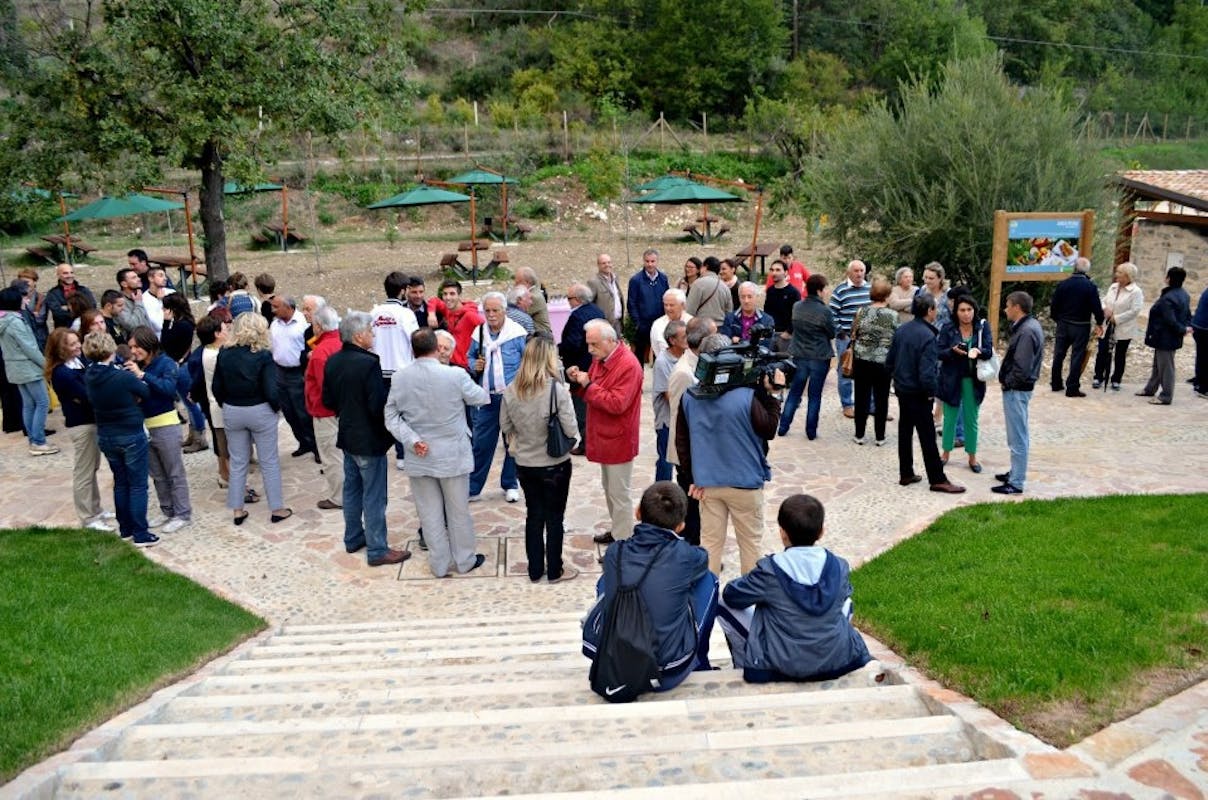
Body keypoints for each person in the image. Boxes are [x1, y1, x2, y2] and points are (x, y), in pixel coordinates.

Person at [717, 494, 872, 683]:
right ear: (821, 531)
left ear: (782, 533)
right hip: (837, 660)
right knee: (847, 602)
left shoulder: (770, 570)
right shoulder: (839, 566)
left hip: (780, 662)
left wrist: (764, 599)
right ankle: (831, 647)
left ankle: (745, 663)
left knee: (721, 603)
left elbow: (731, 596)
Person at [581, 481, 719, 693]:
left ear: (637, 513)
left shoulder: (614, 552)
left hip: (614, 658)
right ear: (681, 526)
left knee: (606, 580)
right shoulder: (687, 556)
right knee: (708, 580)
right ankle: (701, 662)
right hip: (669, 666)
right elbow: (703, 558)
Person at [385, 328, 490, 577]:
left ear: (413, 349)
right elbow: (481, 398)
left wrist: (412, 440)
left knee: (429, 513)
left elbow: (390, 416)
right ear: (436, 348)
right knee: (458, 511)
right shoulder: (454, 375)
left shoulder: (400, 377)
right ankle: (464, 560)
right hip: (452, 452)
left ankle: (439, 564)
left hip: (419, 453)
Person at [677, 334, 781, 576]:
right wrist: (773, 396)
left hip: (708, 484)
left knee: (710, 546)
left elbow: (682, 443)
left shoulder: (691, 396)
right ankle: (749, 605)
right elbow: (769, 428)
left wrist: (692, 478)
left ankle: (708, 602)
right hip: (745, 483)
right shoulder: (748, 396)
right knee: (750, 546)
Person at [321, 311, 409, 567]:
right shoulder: (369, 363)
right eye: (371, 331)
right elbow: (376, 405)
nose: (373, 335)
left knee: (352, 491)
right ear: (359, 336)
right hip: (369, 440)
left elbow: (328, 400)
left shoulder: (334, 361)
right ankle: (378, 549)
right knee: (374, 495)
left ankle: (353, 538)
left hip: (347, 435)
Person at [501, 332, 579, 583]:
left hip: (525, 462)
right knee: (555, 517)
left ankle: (535, 569)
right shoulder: (556, 390)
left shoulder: (512, 389)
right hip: (555, 463)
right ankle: (554, 569)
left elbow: (505, 424)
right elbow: (571, 429)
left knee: (533, 516)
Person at [567, 319, 643, 546]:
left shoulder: (628, 365)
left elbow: (616, 403)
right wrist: (579, 381)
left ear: (611, 341)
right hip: (605, 436)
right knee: (610, 490)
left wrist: (588, 385)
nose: (590, 350)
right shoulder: (601, 358)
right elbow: (595, 388)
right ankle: (619, 529)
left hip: (618, 438)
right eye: (588, 344)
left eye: (594, 344)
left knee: (619, 494)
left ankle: (623, 540)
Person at [213, 312, 290, 524]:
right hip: (259, 409)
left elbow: (216, 387)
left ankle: (237, 510)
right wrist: (276, 408)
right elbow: (270, 389)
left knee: (238, 461)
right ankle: (277, 508)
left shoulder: (224, 353)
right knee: (269, 461)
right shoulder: (263, 355)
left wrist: (226, 403)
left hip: (232, 409)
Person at [82, 332, 158, 547]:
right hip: (130, 433)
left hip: (106, 434)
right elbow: (145, 391)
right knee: (137, 485)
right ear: (111, 350)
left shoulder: (89, 376)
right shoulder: (121, 376)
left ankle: (125, 528)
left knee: (121, 482)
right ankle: (141, 533)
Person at [885, 295, 965, 494]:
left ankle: (906, 473)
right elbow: (927, 372)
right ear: (930, 310)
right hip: (919, 392)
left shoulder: (902, 330)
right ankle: (937, 479)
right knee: (927, 436)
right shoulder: (928, 336)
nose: (936, 311)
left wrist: (898, 380)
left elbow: (890, 360)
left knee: (905, 432)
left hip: (903, 390)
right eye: (935, 308)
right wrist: (930, 393)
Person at [125, 326, 193, 532]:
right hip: (144, 427)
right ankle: (168, 511)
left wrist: (143, 375)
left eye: (136, 347)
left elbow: (168, 390)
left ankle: (183, 514)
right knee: (157, 474)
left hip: (166, 425)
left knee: (174, 472)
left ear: (148, 344)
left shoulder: (166, 363)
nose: (133, 351)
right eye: (131, 347)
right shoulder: (134, 365)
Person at [46, 328, 112, 530]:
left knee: (92, 468)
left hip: (90, 420)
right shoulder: (62, 373)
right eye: (72, 344)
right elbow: (85, 394)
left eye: (77, 342)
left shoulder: (79, 363)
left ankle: (96, 509)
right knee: (84, 472)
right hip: (81, 424)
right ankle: (88, 517)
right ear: (61, 348)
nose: (77, 346)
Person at [467, 292, 527, 503]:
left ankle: (510, 483)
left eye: (495, 310)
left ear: (504, 311)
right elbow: (470, 357)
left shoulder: (517, 333)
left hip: (511, 397)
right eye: (487, 311)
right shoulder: (479, 332)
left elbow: (527, 362)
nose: (491, 315)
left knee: (513, 443)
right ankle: (473, 487)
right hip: (487, 397)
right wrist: (475, 365)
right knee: (481, 443)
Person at [666, 317, 717, 546]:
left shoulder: (701, 365)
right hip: (688, 454)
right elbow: (680, 417)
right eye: (714, 335)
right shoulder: (684, 373)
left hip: (699, 452)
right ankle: (692, 550)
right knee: (692, 507)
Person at [993, 291, 1045, 495]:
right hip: (1017, 389)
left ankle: (1016, 482)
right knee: (1015, 434)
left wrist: (1008, 383)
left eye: (1007, 305)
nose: (1005, 309)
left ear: (1016, 307)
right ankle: (1015, 471)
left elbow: (1022, 367)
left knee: (1018, 436)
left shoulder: (1026, 331)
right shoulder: (1028, 326)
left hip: (1017, 390)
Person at [937, 296, 992, 472]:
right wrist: (952, 352)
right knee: (949, 419)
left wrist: (979, 351)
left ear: (974, 310)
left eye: (969, 309)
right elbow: (939, 352)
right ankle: (945, 454)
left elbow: (989, 350)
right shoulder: (948, 328)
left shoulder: (982, 327)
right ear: (956, 312)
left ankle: (972, 458)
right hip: (952, 378)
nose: (966, 314)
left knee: (971, 419)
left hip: (973, 380)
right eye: (962, 310)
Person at [0, 286, 57, 455]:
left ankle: (33, 439)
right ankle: (38, 441)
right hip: (28, 368)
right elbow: (29, 347)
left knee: (28, 404)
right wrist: (46, 365)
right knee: (42, 402)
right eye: (23, 298)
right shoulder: (15, 322)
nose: (26, 301)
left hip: (14, 367)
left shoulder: (4, 321)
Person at [779, 273, 834, 441]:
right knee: (814, 395)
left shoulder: (797, 307)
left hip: (800, 354)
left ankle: (783, 426)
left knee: (795, 392)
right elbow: (831, 333)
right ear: (819, 291)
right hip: (819, 355)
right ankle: (811, 431)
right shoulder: (825, 311)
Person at [850, 277, 899, 446]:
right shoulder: (893, 315)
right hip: (883, 362)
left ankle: (859, 434)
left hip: (862, 360)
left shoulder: (861, 312)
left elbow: (854, 332)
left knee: (861, 397)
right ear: (887, 295)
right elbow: (897, 338)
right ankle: (880, 436)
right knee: (881, 398)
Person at [304, 305, 344, 511]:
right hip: (343, 409)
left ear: (318, 326)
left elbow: (323, 386)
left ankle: (339, 497)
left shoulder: (321, 352)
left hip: (326, 412)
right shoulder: (342, 342)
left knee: (331, 456)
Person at [269, 294, 318, 459]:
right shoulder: (274, 324)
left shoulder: (302, 324)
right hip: (280, 372)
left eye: (276, 307)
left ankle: (316, 447)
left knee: (303, 412)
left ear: (288, 308)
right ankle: (303, 443)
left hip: (297, 373)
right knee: (289, 412)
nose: (273, 310)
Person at [559, 282, 605, 453]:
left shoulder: (577, 317)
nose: (568, 302)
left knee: (581, 407)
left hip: (579, 367)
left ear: (577, 299)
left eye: (569, 298)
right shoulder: (597, 311)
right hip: (597, 365)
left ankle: (587, 444)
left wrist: (558, 348)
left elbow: (572, 344)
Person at [191, 315, 234, 493]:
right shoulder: (216, 355)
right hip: (218, 406)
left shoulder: (203, 352)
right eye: (225, 328)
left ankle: (225, 475)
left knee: (223, 443)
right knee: (226, 445)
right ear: (217, 333)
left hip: (213, 405)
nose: (228, 331)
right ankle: (230, 479)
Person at [1049, 257, 1104, 397]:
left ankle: (1055, 383)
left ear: (1074, 268)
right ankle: (1072, 387)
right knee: (1077, 356)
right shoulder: (1090, 286)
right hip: (1081, 325)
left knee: (1059, 354)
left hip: (1063, 323)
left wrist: (1057, 319)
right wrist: (1099, 321)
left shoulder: (1063, 284)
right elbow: (1096, 307)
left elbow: (1054, 305)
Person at [1137, 266, 1191, 406]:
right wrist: (1186, 327)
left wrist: (1182, 330)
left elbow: (1170, 320)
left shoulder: (1168, 298)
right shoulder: (1184, 294)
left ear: (1168, 278)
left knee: (1166, 367)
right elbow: (1187, 315)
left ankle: (1166, 396)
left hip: (1165, 337)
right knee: (1158, 365)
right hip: (1166, 337)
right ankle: (1150, 389)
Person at [161, 293, 208, 454]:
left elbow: (165, 342)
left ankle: (199, 436)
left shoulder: (180, 325)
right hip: (182, 363)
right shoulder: (185, 323)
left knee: (191, 403)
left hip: (181, 366)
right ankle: (194, 433)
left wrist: (166, 323)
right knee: (189, 403)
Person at [829, 259, 871, 419]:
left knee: (869, 371)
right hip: (846, 338)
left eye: (862, 270)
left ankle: (871, 404)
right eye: (856, 271)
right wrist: (841, 332)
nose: (859, 274)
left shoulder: (869, 289)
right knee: (846, 370)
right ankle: (847, 404)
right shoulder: (840, 291)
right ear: (849, 273)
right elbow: (832, 314)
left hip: (867, 338)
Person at [1092, 262, 1144, 391]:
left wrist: (1117, 318)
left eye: (1120, 273)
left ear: (1127, 276)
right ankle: (1098, 376)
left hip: (1123, 327)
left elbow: (1135, 310)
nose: (1117, 275)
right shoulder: (1113, 287)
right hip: (1107, 324)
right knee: (1102, 351)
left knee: (1120, 354)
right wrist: (1105, 309)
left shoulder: (1136, 291)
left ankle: (1116, 379)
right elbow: (1103, 301)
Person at [652, 320, 686, 483]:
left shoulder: (688, 356)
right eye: (684, 336)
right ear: (672, 340)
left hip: (683, 419)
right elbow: (669, 395)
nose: (689, 339)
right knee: (666, 462)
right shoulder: (662, 362)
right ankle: (661, 497)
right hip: (667, 421)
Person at [439, 279, 484, 368]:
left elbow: (487, 330)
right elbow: (434, 301)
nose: (448, 297)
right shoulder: (448, 311)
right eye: (445, 294)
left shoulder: (470, 316)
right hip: (451, 362)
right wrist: (431, 313)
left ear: (459, 295)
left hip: (465, 365)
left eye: (452, 294)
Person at [43, 263, 97, 330]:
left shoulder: (83, 290)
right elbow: (58, 313)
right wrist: (80, 310)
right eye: (65, 273)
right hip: (64, 331)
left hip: (85, 328)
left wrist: (68, 308)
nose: (69, 275)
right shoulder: (53, 294)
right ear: (58, 275)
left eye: (71, 272)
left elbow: (93, 307)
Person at [763, 260, 801, 353]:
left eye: (778, 270)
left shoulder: (793, 292)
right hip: (771, 334)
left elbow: (797, 316)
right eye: (772, 270)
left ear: (786, 272)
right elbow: (766, 312)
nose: (774, 273)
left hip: (786, 336)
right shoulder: (770, 291)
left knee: (785, 364)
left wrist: (788, 332)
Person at [586, 252, 625, 339]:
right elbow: (588, 305)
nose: (607, 265)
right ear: (598, 265)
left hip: (617, 323)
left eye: (609, 262)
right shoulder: (593, 282)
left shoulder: (615, 278)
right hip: (604, 326)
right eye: (603, 263)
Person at [648, 288, 693, 362]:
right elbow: (656, 348)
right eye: (665, 305)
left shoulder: (691, 323)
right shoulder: (657, 324)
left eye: (672, 305)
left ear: (682, 305)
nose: (668, 308)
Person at [686, 256, 733, 324]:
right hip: (720, 326)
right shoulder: (725, 287)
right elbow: (729, 311)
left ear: (705, 267)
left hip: (702, 326)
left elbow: (690, 310)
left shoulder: (698, 284)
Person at [15, 267, 49, 350]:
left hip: (39, 337)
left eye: (27, 281)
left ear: (34, 282)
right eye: (22, 282)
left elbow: (40, 319)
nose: (25, 284)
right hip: (20, 338)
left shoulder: (41, 298)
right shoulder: (15, 298)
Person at [114, 268, 154, 336]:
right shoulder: (120, 303)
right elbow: (132, 325)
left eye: (137, 276)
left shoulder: (139, 296)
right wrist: (138, 303)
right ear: (124, 284)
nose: (139, 279)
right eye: (134, 278)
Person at [513, 267, 551, 333]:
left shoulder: (532, 297)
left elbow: (516, 316)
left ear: (527, 282)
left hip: (540, 337)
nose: (515, 286)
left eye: (517, 283)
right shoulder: (533, 292)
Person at [140, 265, 173, 336]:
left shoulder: (172, 292)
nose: (165, 278)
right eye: (161, 276)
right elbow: (158, 325)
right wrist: (161, 301)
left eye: (165, 276)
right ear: (151, 278)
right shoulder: (144, 300)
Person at [918, 262, 950, 330]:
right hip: (925, 331)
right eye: (925, 277)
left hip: (943, 334)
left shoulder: (948, 293)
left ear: (940, 278)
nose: (927, 281)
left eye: (931, 278)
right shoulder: (923, 290)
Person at [1193, 283, 1208, 398]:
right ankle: (1203, 388)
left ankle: (1198, 382)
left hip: (1198, 327)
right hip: (1204, 328)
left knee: (1201, 356)